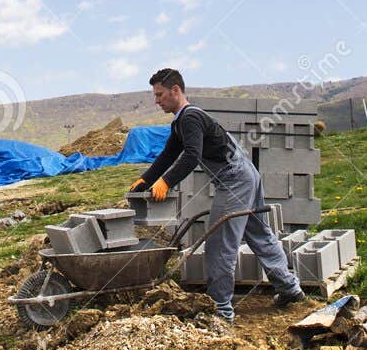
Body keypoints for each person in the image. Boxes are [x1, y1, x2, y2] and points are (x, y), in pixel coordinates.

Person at [130, 67, 304, 323]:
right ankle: (290, 289)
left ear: (175, 90)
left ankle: (221, 311)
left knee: (220, 243)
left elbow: (191, 156)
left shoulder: (189, 118)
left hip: (235, 180)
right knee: (259, 233)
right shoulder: (181, 121)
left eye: (159, 95)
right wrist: (146, 180)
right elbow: (168, 156)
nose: (156, 100)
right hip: (246, 174)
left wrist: (166, 183)